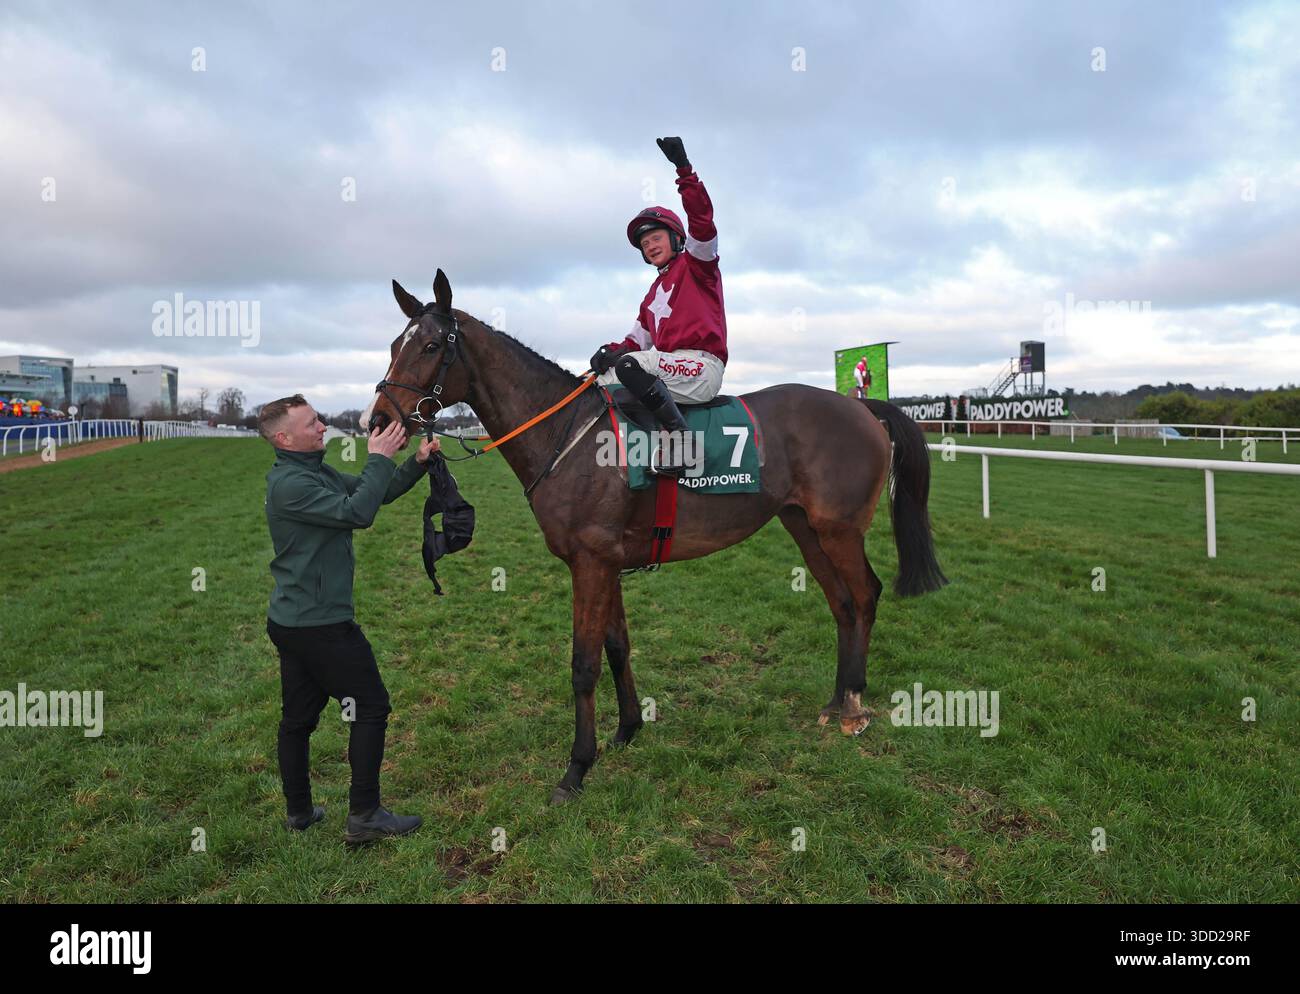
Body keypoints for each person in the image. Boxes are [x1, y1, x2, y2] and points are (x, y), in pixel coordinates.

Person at [259, 394, 438, 844]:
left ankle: (299, 813)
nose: (322, 427)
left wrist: (414, 462)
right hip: (321, 626)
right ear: (283, 438)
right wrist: (378, 456)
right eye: (311, 423)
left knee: (297, 720)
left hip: (295, 621)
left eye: (319, 419)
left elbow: (372, 494)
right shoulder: (291, 485)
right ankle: (364, 816)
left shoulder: (310, 472)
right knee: (371, 706)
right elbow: (358, 513)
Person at [589, 136, 728, 474]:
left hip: (701, 368)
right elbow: (634, 343)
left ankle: (683, 444)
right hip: (667, 368)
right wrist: (608, 352)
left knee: (630, 366)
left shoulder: (698, 263)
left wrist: (684, 171)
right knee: (603, 378)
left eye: (655, 238)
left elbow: (703, 222)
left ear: (676, 238)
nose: (650, 246)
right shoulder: (651, 296)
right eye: (644, 243)